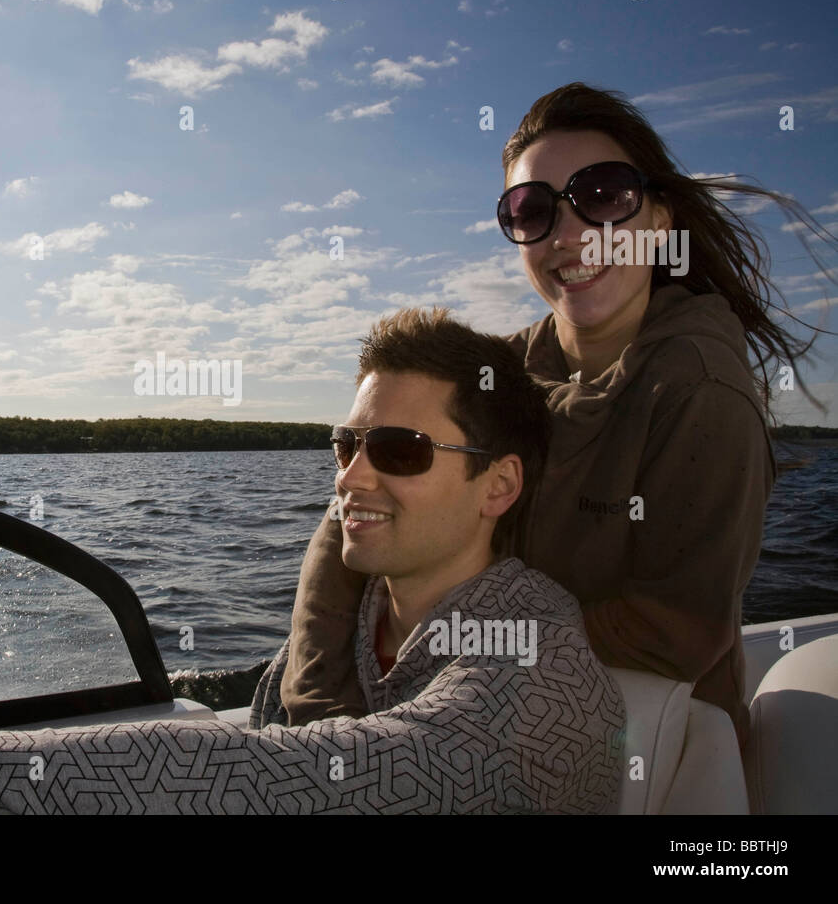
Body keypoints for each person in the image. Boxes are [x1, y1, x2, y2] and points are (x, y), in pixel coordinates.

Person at [0, 308, 625, 814]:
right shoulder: (359, 632)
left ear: (499, 486)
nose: (353, 477)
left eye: (401, 451)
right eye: (347, 443)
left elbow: (278, 784)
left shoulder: (532, 668)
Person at [281, 82, 836, 751]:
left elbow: (675, 634)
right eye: (533, 210)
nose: (569, 237)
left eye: (603, 196)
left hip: (647, 753)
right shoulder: (500, 370)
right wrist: (321, 708)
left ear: (660, 221)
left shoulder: (702, 389)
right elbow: (345, 521)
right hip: (453, 717)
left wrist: (447, 658)